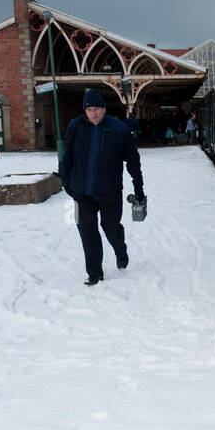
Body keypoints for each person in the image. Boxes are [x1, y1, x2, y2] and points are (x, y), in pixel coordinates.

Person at [59, 90, 144, 285]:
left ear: (104, 109)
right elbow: (67, 155)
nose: (94, 113)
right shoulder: (76, 126)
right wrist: (66, 181)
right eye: (89, 110)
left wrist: (138, 187)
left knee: (111, 228)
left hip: (110, 193)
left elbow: (133, 160)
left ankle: (120, 250)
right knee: (87, 231)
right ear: (85, 111)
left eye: (97, 109)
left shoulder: (118, 129)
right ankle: (95, 273)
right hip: (81, 194)